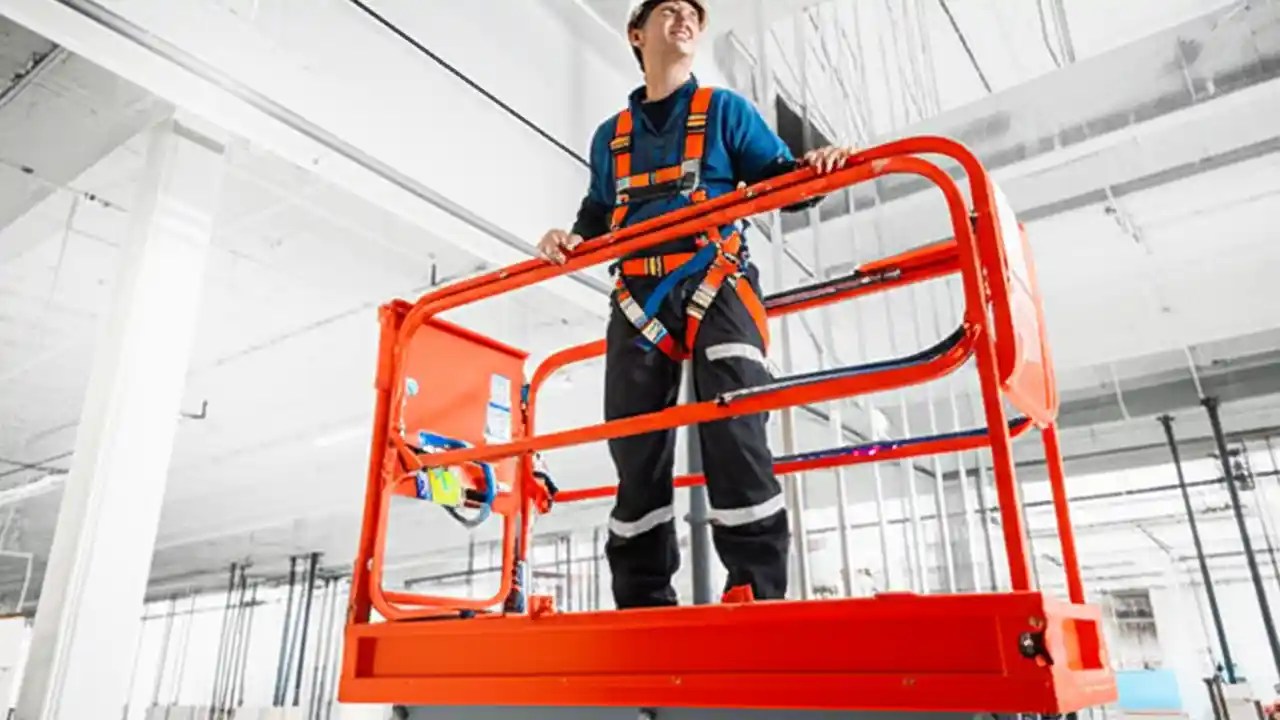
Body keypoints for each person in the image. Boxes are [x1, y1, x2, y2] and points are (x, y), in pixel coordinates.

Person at [537, 0, 853, 609]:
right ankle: (642, 598)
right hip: (638, 299)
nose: (685, 21)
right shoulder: (611, 137)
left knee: (736, 433)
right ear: (636, 33)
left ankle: (755, 592)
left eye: (694, 15)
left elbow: (778, 180)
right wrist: (566, 238)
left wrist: (814, 168)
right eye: (670, 12)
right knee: (635, 451)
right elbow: (596, 217)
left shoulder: (724, 111)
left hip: (720, 281)